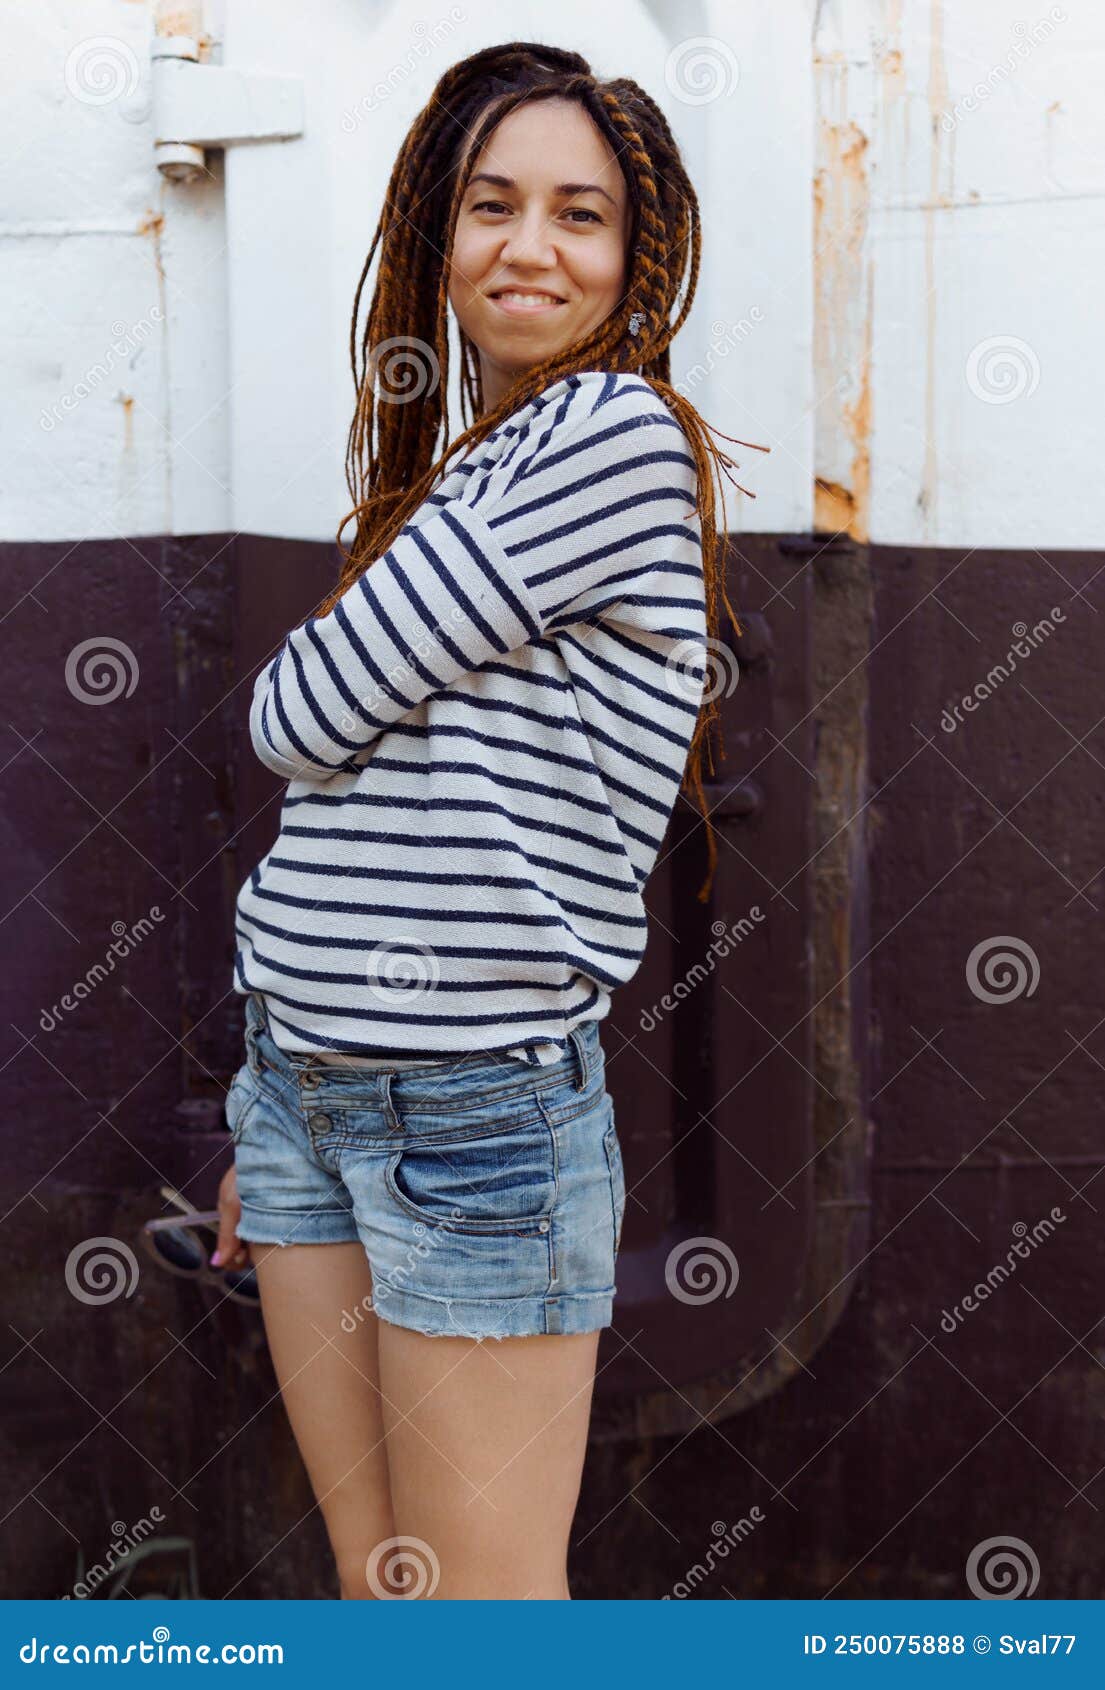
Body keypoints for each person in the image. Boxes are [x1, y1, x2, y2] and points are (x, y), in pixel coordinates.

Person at [213, 40, 761, 1601]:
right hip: (306, 1095)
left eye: (578, 216)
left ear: (633, 258)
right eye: (491, 204)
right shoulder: (480, 466)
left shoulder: (605, 437)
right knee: (383, 1586)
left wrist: (340, 673)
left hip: (474, 1120)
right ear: (436, 237)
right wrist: (283, 1079)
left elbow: (296, 717)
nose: (528, 247)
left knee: (484, 1611)